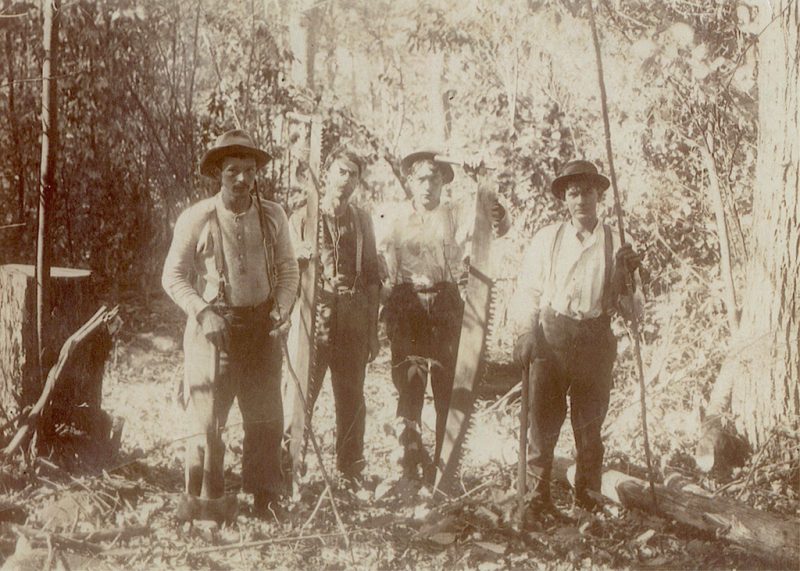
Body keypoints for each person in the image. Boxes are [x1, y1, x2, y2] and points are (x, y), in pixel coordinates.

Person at [162, 129, 299, 521]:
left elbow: (289, 271)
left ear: (257, 173)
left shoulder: (273, 215)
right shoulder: (198, 218)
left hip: (262, 328)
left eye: (249, 170)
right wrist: (202, 313)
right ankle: (205, 504)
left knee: (266, 418)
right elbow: (172, 276)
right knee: (207, 421)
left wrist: (282, 309)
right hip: (214, 331)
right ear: (218, 175)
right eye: (233, 171)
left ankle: (265, 500)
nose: (242, 179)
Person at [511, 159, 643, 515]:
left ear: (599, 195)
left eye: (587, 191)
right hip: (552, 337)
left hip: (595, 340)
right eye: (573, 193)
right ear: (564, 200)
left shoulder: (617, 243)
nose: (580, 199)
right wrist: (525, 331)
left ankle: (587, 503)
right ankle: (536, 501)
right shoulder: (547, 239)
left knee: (589, 428)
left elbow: (634, 312)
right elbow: (528, 290)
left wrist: (628, 277)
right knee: (542, 422)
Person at [380, 149, 510, 481]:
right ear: (410, 182)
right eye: (421, 178)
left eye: (434, 178)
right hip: (407, 302)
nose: (427, 186)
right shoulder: (393, 218)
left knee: (444, 384)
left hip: (444, 304)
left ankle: (443, 465)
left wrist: (485, 188)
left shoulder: (454, 215)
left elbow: (496, 225)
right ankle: (409, 460)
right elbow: (381, 266)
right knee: (409, 381)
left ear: (442, 183)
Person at [289, 148, 381, 482]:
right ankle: (290, 465)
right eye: (341, 171)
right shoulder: (301, 218)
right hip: (315, 317)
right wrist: (298, 260)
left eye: (354, 174)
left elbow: (372, 277)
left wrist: (372, 333)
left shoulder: (362, 220)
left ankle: (350, 467)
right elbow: (283, 275)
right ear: (327, 172)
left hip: (353, 318)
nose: (346, 180)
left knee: (352, 396)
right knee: (301, 394)